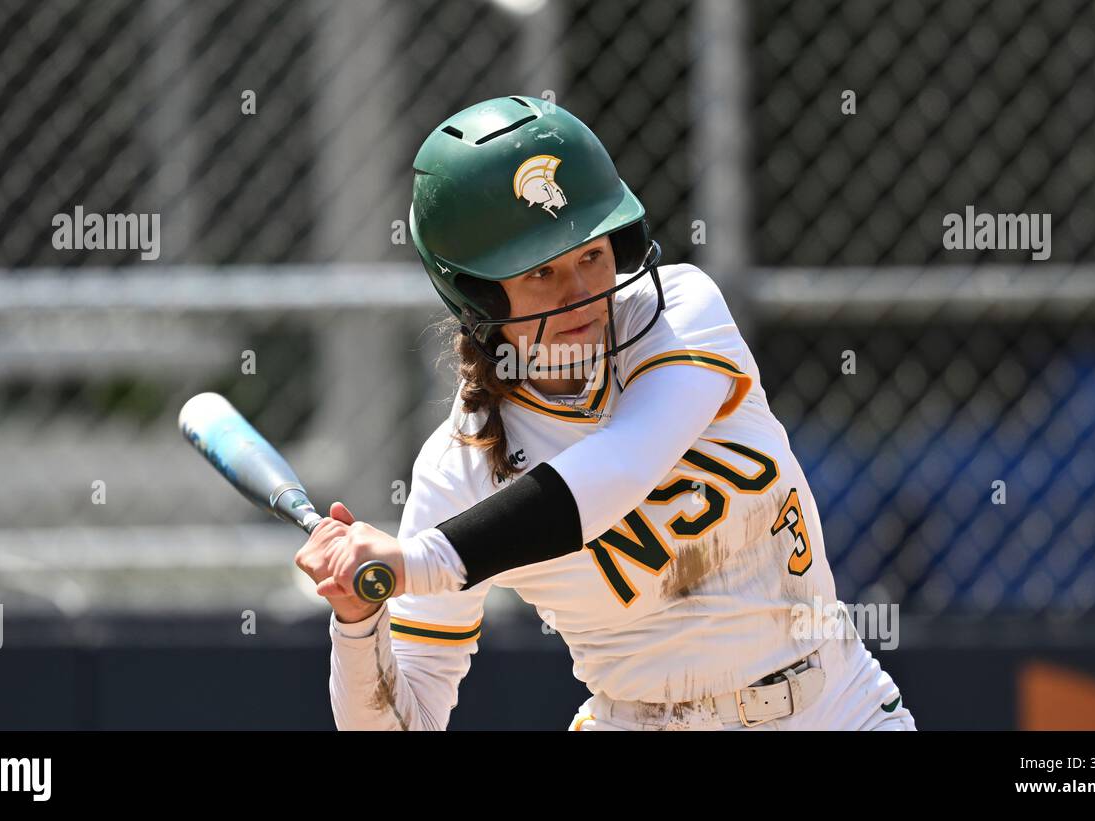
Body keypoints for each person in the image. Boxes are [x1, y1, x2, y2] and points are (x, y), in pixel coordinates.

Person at [294, 95, 915, 731]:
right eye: (541, 273)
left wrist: (417, 562)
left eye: (591, 255)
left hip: (834, 705)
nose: (580, 295)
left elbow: (618, 468)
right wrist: (357, 616)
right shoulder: (460, 469)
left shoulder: (678, 312)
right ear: (476, 292)